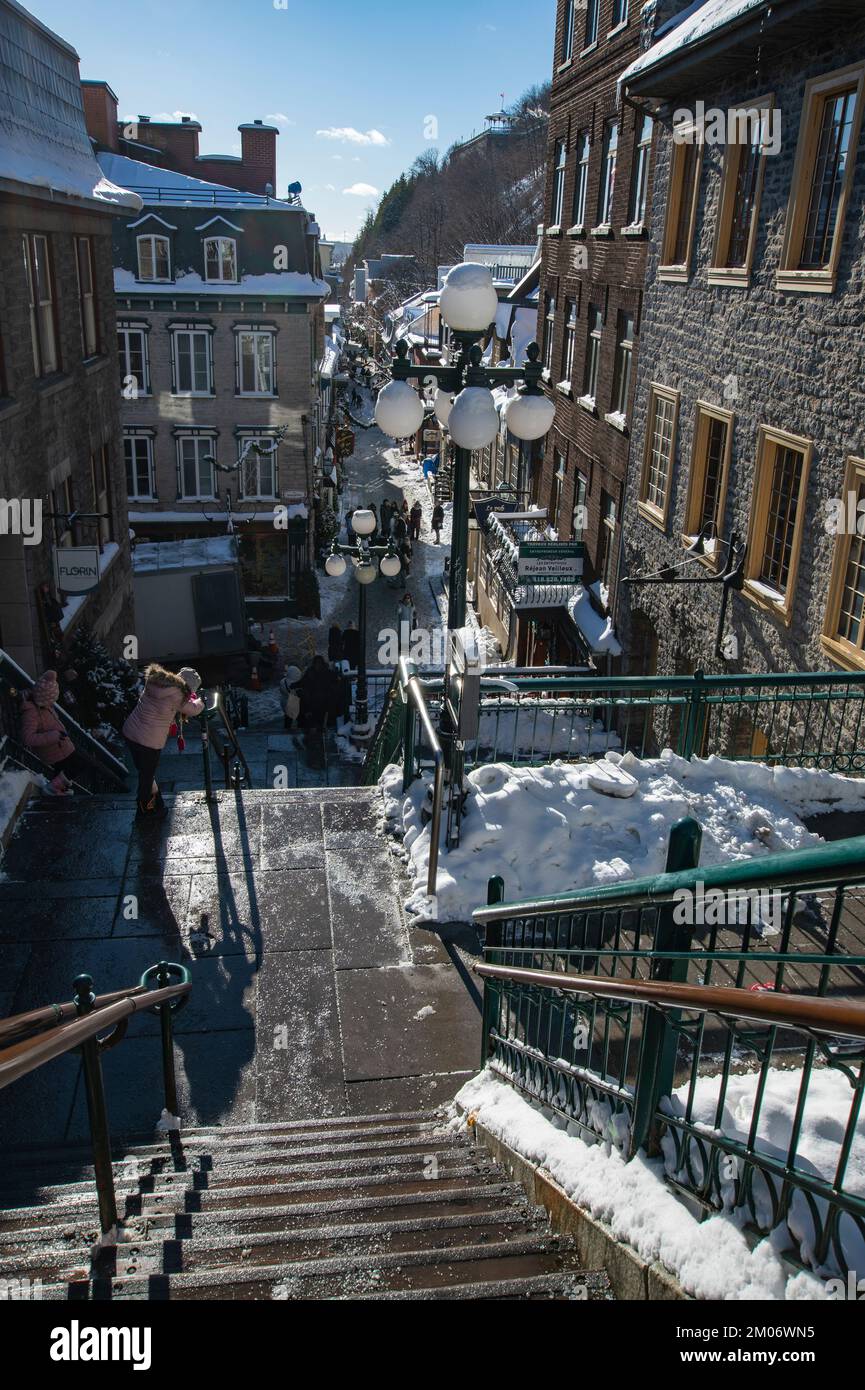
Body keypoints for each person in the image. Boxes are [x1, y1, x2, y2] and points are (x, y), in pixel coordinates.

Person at [122, 664, 204, 818]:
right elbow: (194, 709)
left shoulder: (156, 682)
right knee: (146, 776)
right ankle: (145, 810)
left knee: (145, 772)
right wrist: (201, 701)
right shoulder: (178, 695)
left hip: (131, 732)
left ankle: (156, 803)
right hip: (148, 741)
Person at [20, 670, 86, 793]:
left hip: (61, 746)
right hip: (53, 750)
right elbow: (28, 738)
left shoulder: (45, 705)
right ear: (44, 697)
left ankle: (58, 794)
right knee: (79, 764)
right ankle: (52, 788)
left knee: (61, 773)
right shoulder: (31, 712)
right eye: (51, 700)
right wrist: (53, 736)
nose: (52, 703)